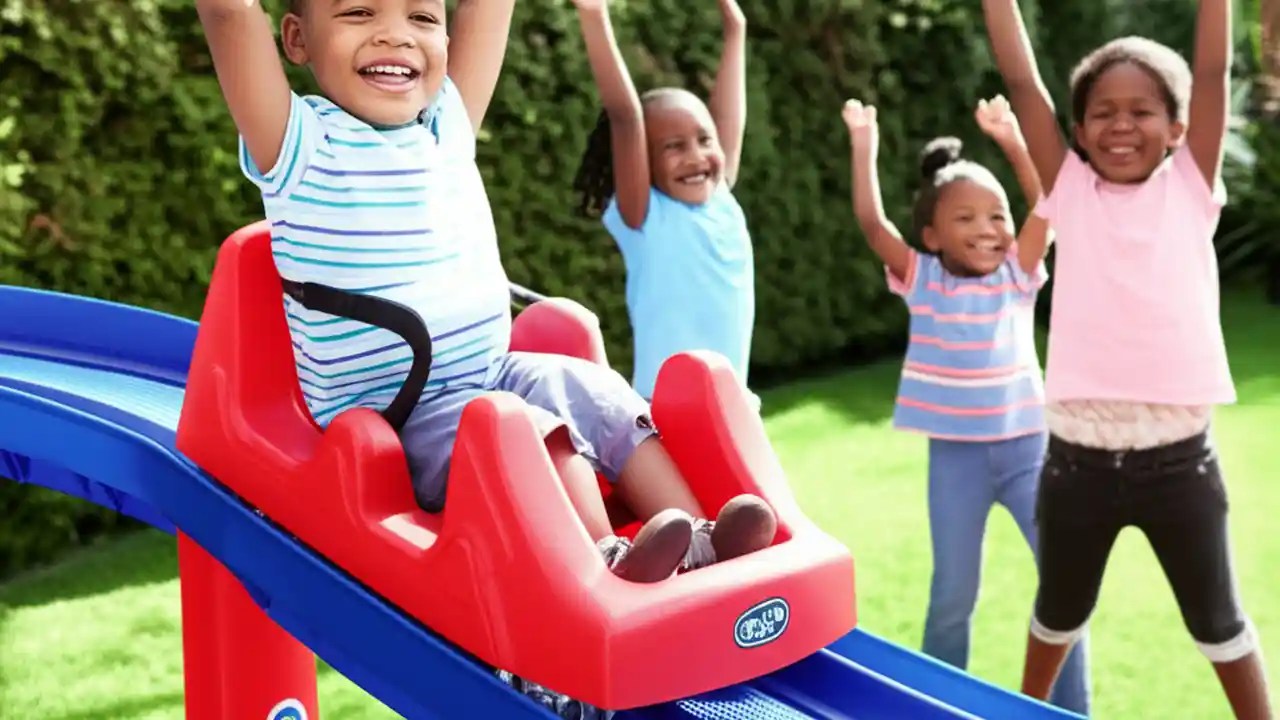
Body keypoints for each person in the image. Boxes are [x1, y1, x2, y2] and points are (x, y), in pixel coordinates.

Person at [195, 1, 777, 716]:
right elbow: (229, 17)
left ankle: (700, 541)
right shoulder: (297, 144)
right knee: (520, 426)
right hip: (402, 422)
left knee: (593, 389)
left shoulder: (447, 123)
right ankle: (604, 566)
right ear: (296, 38)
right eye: (358, 12)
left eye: (422, 16)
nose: (395, 33)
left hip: (492, 372)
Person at [982, 0, 1272, 716]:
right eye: (1102, 113)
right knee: (1057, 614)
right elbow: (1022, 83)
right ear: (1078, 132)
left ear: (1178, 128)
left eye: (1141, 111)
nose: (1120, 125)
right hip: (1076, 464)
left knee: (1219, 624)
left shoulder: (1191, 186)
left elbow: (1212, 68)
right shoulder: (1068, 190)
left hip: (1180, 463)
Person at [841, 93, 1090, 715]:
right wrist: (864, 145)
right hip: (957, 461)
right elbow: (872, 225)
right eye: (967, 218)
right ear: (932, 236)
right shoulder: (922, 279)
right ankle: (937, 707)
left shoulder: (1018, 273)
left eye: (997, 215)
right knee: (953, 594)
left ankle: (1071, 712)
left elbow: (1046, 203)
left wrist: (1013, 141)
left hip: (1029, 452)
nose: (988, 228)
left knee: (1064, 582)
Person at [570, 0, 760, 411]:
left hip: (732, 406)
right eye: (674, 147)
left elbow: (729, 118)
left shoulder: (721, 197)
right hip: (668, 409)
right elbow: (625, 116)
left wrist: (735, 27)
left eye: (704, 140)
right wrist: (594, 16)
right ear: (643, 162)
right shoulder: (644, 218)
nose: (696, 156)